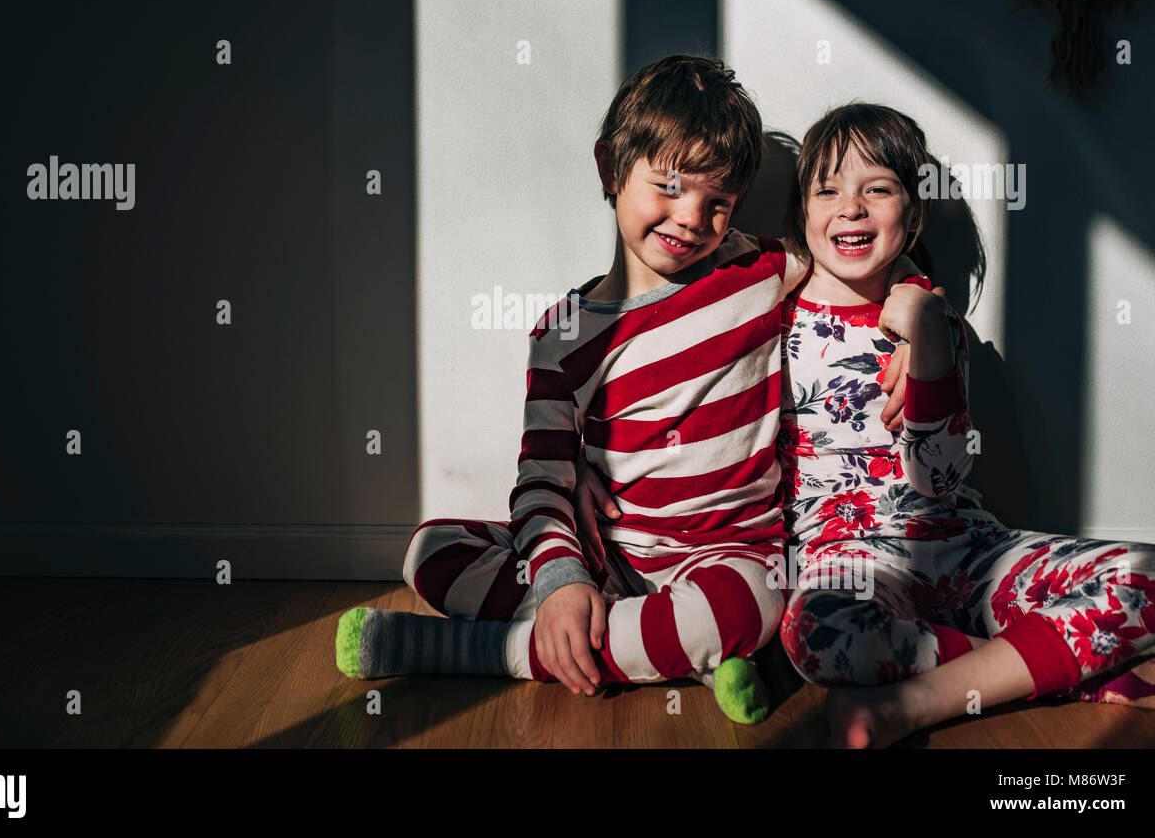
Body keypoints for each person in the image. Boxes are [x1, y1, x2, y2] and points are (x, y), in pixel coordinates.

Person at [334, 56, 918, 723]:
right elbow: (542, 480)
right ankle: (659, 645)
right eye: (669, 185)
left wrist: (912, 296)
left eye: (717, 201)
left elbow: (850, 259)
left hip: (729, 555)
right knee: (428, 547)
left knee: (755, 604)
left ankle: (483, 649)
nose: (692, 217)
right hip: (610, 557)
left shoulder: (757, 270)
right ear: (611, 167)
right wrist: (561, 580)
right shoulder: (562, 335)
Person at [770, 102, 1155, 747]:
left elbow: (937, 478)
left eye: (878, 188)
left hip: (961, 549)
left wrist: (929, 338)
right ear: (802, 212)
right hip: (849, 559)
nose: (850, 207)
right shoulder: (776, 316)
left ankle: (913, 703)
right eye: (828, 190)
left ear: (916, 212)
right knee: (820, 634)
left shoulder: (939, 321)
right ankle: (1070, 671)